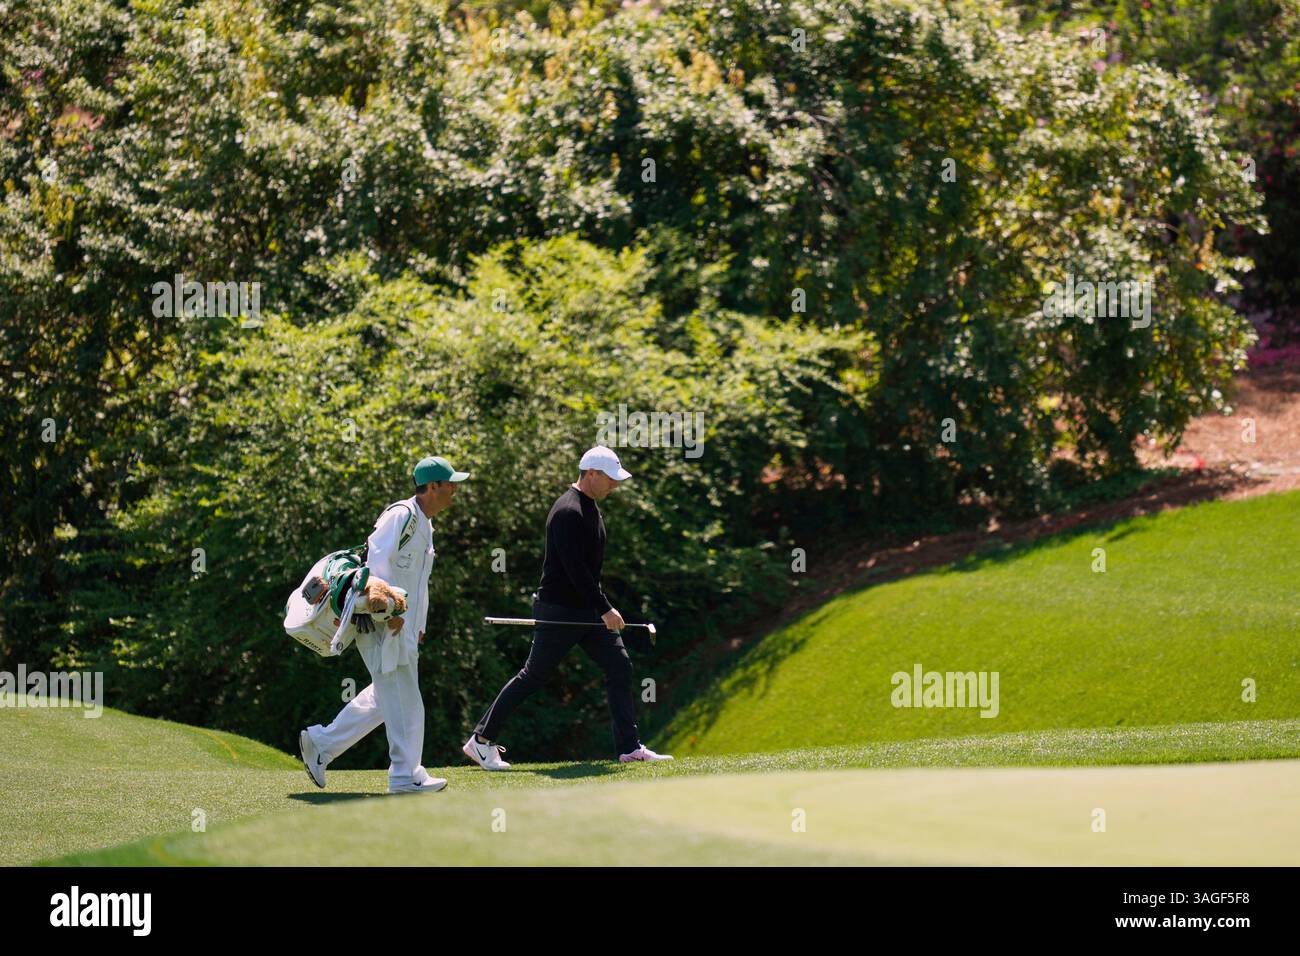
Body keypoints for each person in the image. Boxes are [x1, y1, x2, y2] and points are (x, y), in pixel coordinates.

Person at [463, 446, 672, 769]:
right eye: (610, 479)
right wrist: (605, 609)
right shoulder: (568, 511)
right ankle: (481, 741)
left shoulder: (589, 507)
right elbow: (576, 570)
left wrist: (599, 608)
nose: (614, 485)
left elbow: (588, 572)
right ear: (591, 474)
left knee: (619, 666)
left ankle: (629, 748)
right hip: (560, 610)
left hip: (586, 610)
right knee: (533, 676)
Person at [298, 455, 469, 794]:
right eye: (451, 484)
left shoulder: (425, 523)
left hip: (402, 627)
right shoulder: (401, 515)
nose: (455, 490)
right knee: (405, 696)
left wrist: (417, 623)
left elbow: (419, 584)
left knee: (385, 696)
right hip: (383, 624)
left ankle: (320, 742)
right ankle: (405, 775)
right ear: (433, 486)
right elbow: (376, 561)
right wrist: (389, 611)